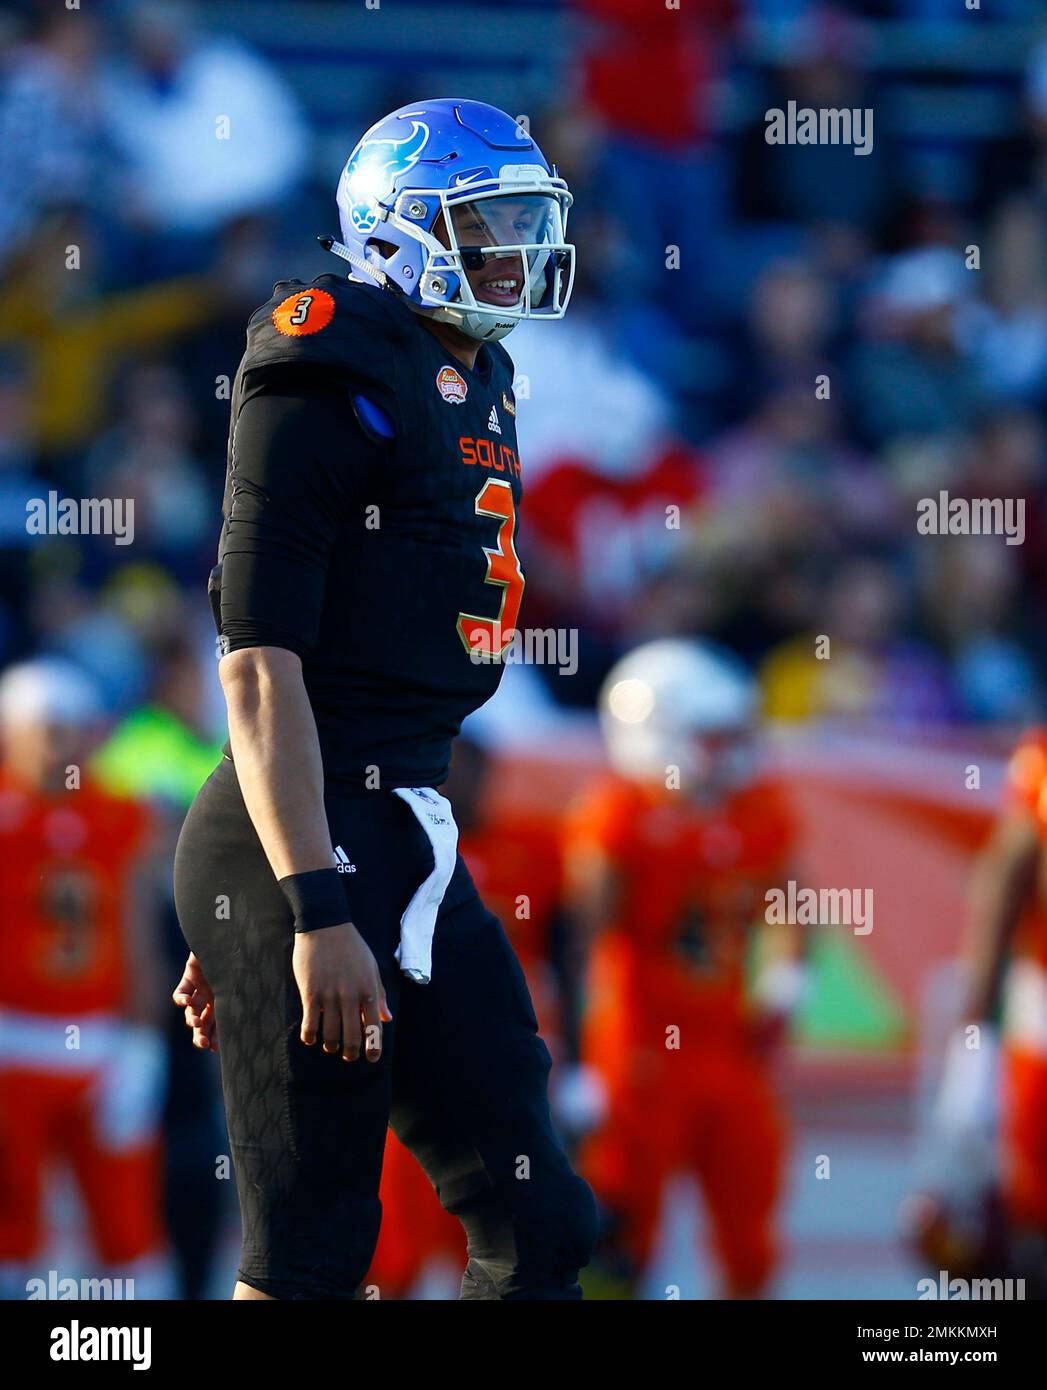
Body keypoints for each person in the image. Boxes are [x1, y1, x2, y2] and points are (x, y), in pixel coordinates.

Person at [172, 99, 596, 1301]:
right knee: (310, 1260)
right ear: (400, 230)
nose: (520, 248)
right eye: (491, 221)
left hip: (403, 822)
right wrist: (294, 906)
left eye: (529, 220)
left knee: (544, 1222)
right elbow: (259, 659)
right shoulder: (327, 351)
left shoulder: (478, 363)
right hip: (313, 840)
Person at [563, 639, 803, 1297]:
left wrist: (787, 982)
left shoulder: (757, 808)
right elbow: (580, 941)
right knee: (619, 1239)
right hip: (637, 1052)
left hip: (727, 1045)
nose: (730, 752)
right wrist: (576, 1059)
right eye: (711, 736)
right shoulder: (620, 813)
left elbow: (791, 898)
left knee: (750, 1236)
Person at [0, 658, 168, 1296]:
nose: (59, 746)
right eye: (45, 730)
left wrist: (144, 1041)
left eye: (68, 729)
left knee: (125, 1223)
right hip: (13, 1041)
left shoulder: (118, 815)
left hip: (100, 1042)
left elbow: (138, 934)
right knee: (13, 1226)